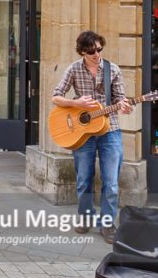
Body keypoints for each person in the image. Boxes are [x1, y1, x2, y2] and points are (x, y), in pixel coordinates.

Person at [51, 31, 131, 242]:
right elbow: (56, 97)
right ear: (82, 51)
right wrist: (76, 104)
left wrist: (124, 106)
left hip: (109, 130)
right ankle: (86, 218)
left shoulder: (112, 69)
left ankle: (107, 224)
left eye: (99, 49)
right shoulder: (74, 69)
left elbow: (121, 99)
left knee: (111, 182)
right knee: (83, 180)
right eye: (91, 51)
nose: (97, 54)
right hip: (82, 133)